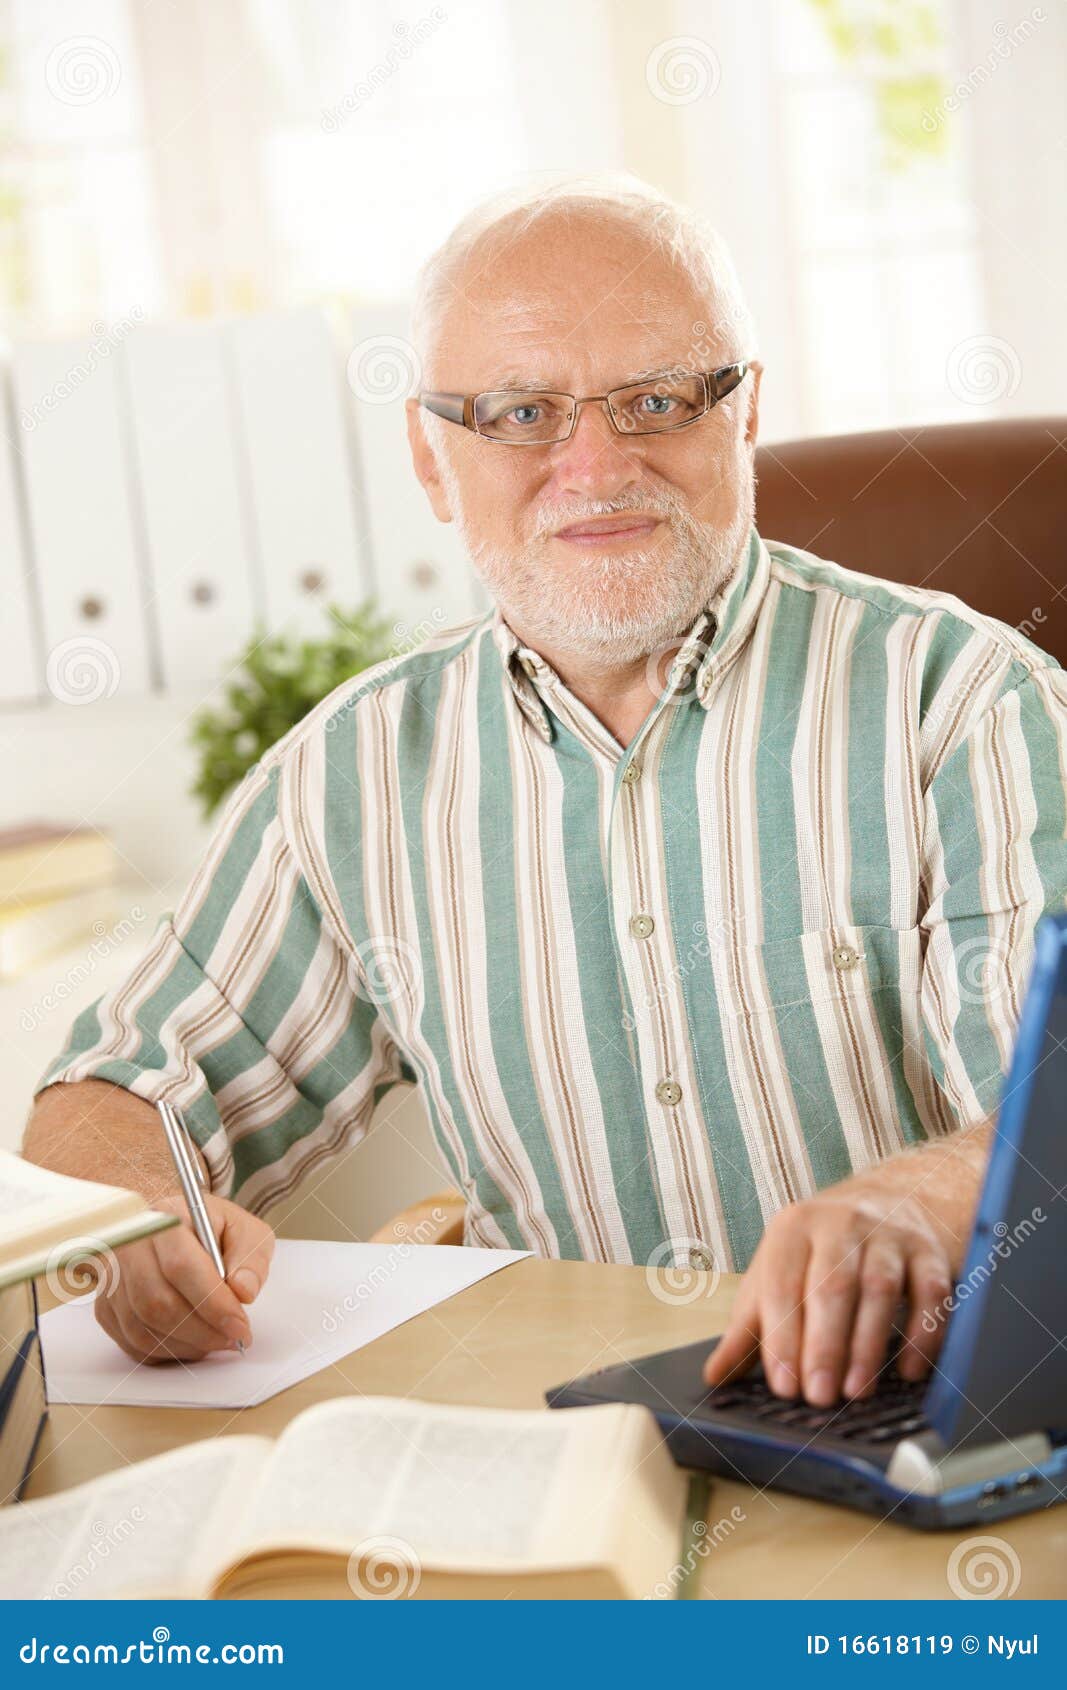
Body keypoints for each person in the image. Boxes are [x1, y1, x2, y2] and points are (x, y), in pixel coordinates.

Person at [23, 175, 1067, 1410]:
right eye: (521, 413)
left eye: (655, 400)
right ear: (431, 458)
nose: (595, 464)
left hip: (926, 1411)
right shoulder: (355, 772)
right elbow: (117, 1086)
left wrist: (923, 1198)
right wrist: (136, 1210)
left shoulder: (961, 701)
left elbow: (1048, 1118)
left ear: (741, 413)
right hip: (563, 1433)